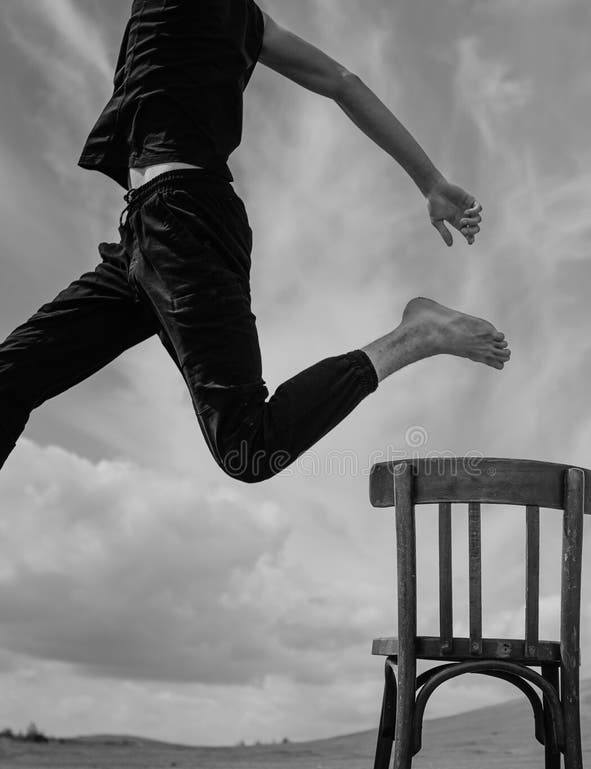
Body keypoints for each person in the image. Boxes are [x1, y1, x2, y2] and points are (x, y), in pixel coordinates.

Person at [0, 0, 511, 482]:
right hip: (145, 233)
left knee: (249, 444)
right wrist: (430, 181)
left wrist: (430, 181)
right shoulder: (249, 19)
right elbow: (343, 82)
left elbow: (340, 82)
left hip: (186, 223)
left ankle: (417, 335)